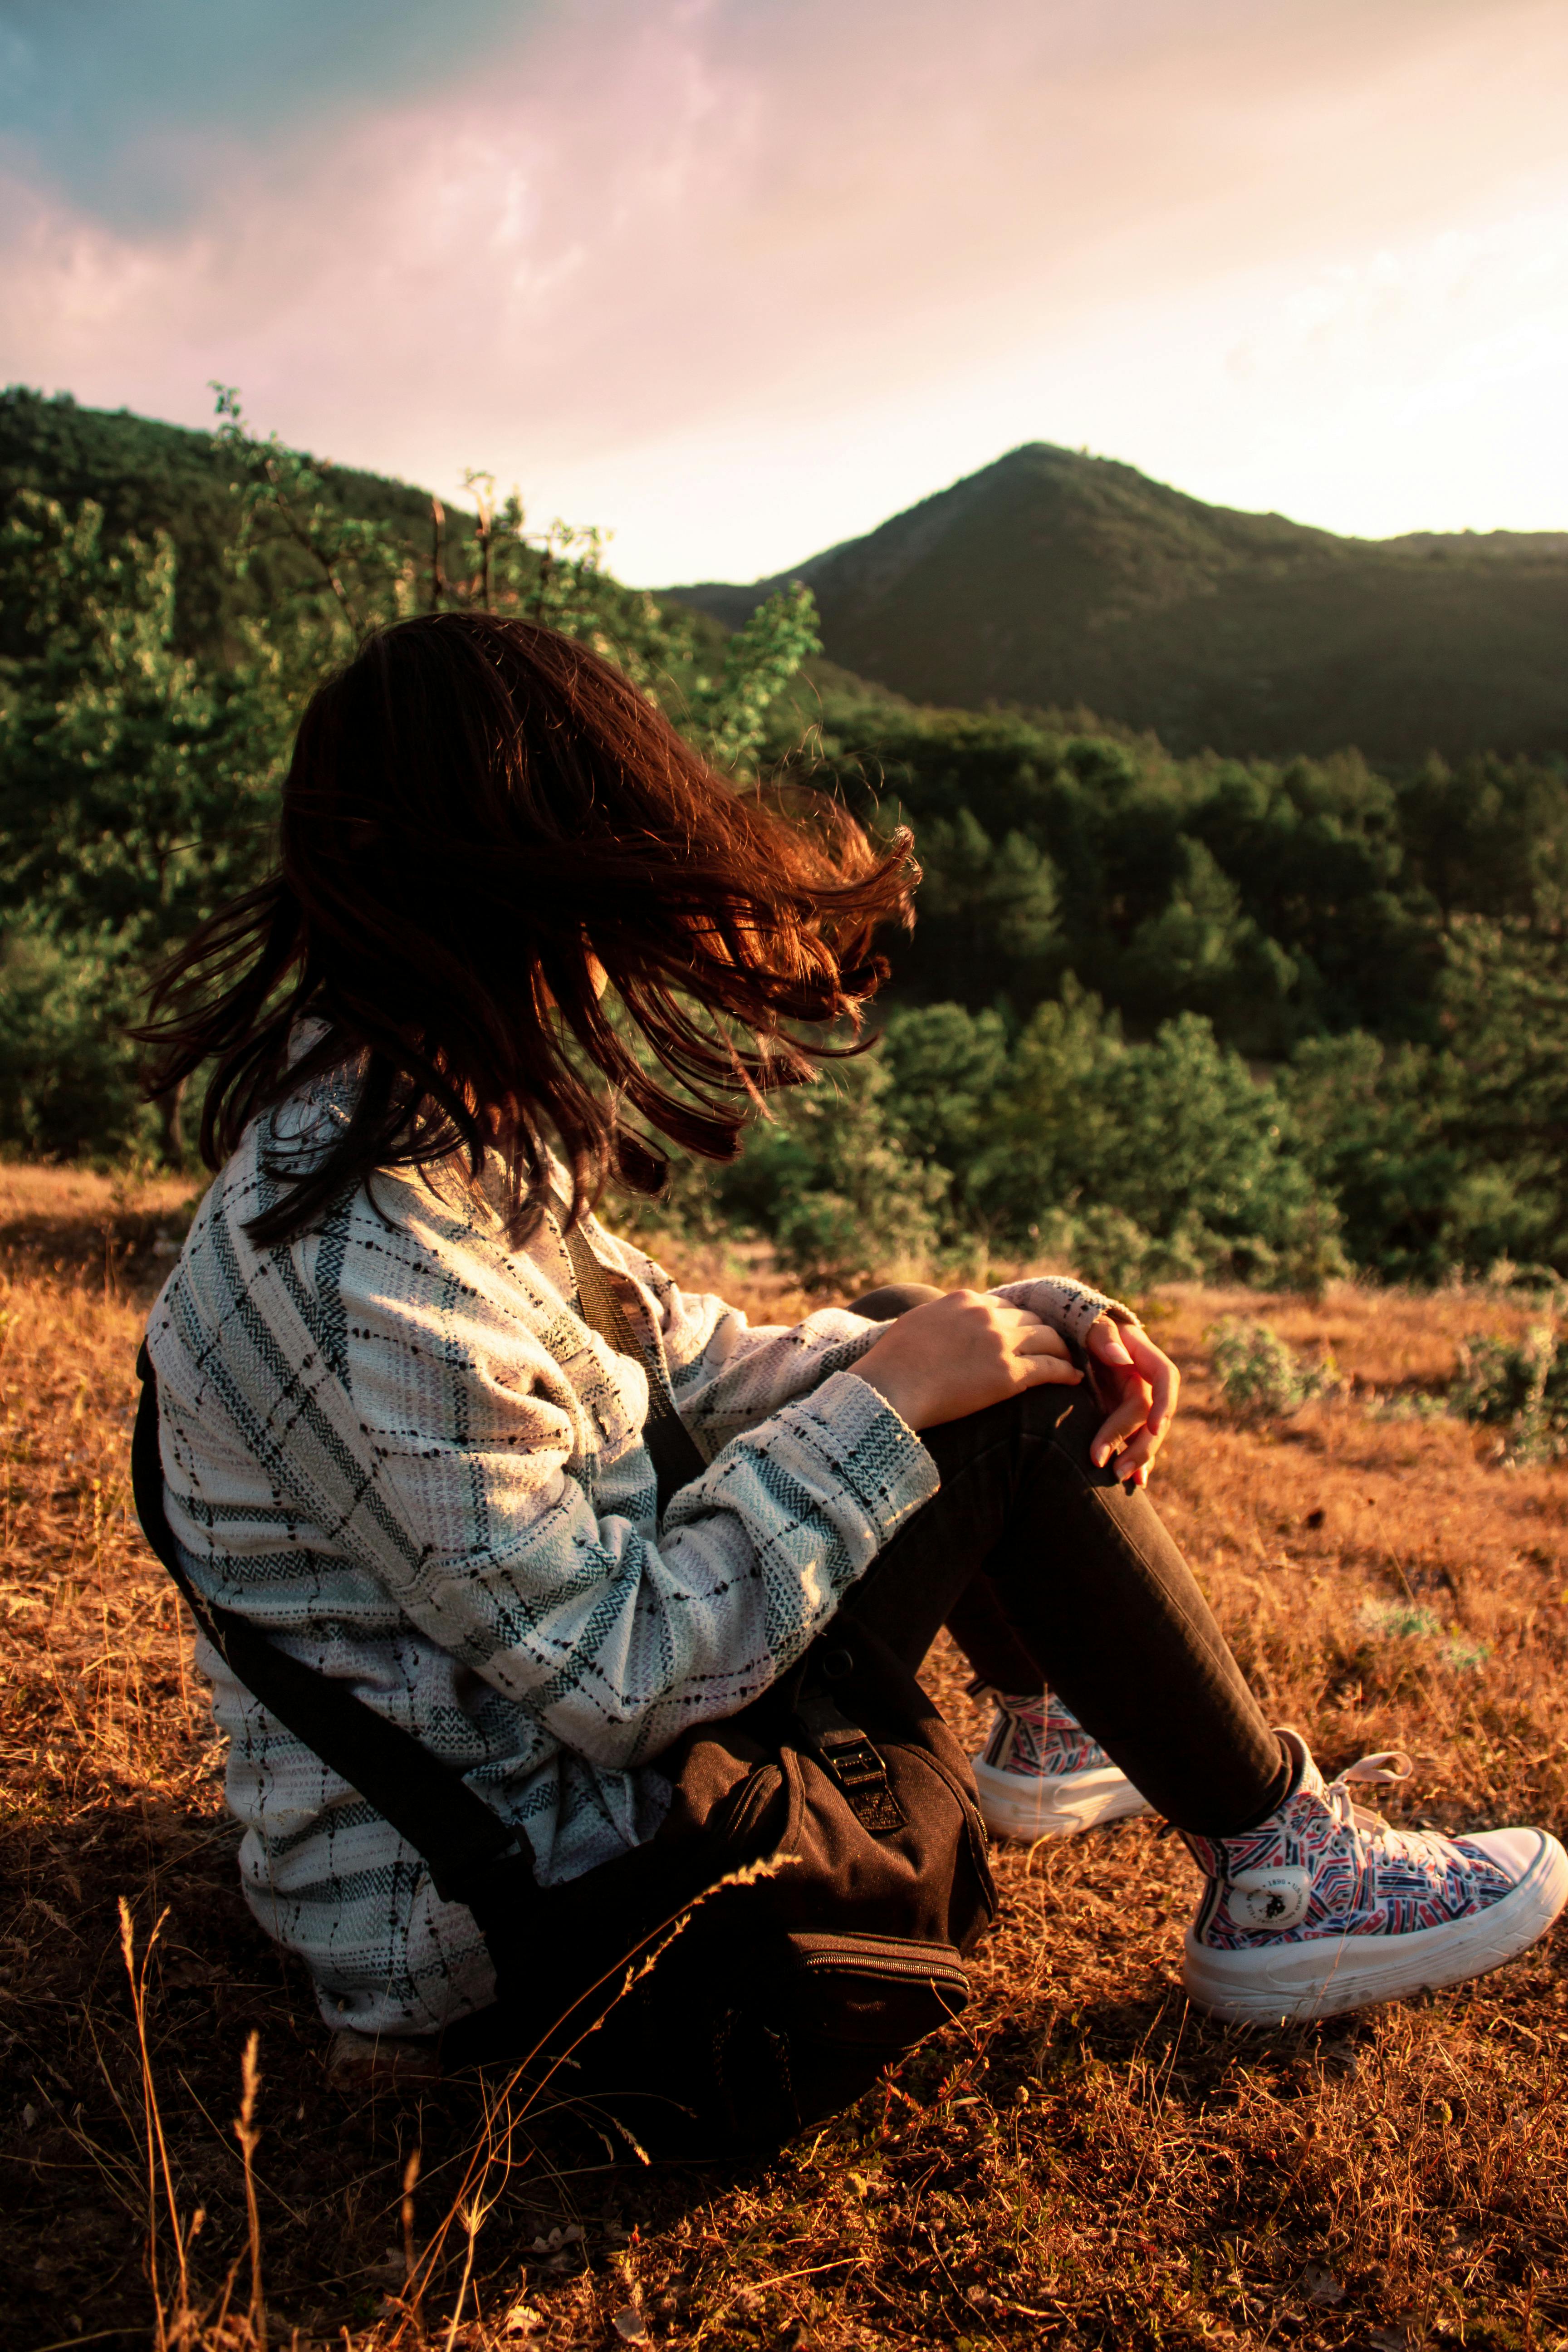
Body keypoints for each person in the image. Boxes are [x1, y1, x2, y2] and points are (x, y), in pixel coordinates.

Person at [139, 612, 1565, 2064]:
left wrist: (994, 1326)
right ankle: (1283, 1870)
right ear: (497, 894)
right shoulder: (358, 1260)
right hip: (519, 1918)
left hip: (506, 1805)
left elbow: (675, 1363)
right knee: (954, 1399)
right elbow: (621, 1675)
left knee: (932, 1346)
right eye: (599, 889)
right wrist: (900, 1403)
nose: (618, 949)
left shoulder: (417, 1129)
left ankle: (1060, 1722)